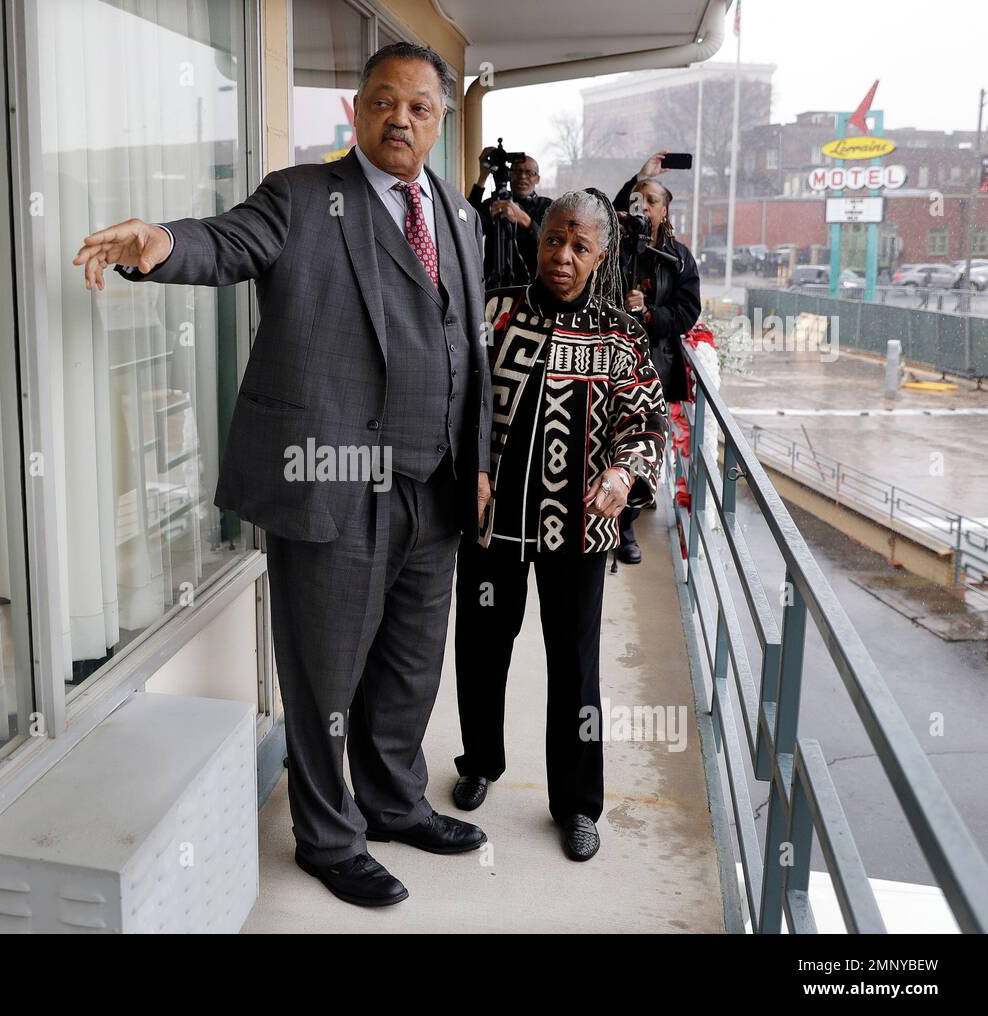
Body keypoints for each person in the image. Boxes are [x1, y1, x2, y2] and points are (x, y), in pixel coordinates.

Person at [74, 42, 492, 909]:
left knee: (412, 666)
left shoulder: (455, 209)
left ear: (442, 118)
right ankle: (328, 836)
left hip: (436, 482)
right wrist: (160, 242)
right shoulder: (303, 199)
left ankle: (392, 801)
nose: (400, 119)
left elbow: (469, 349)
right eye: (383, 102)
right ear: (356, 111)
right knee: (323, 673)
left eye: (419, 106)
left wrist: (479, 459)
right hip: (333, 480)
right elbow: (227, 242)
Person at [451, 189, 667, 862]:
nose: (563, 257)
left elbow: (649, 421)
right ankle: (480, 760)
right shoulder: (498, 309)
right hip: (496, 522)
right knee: (483, 648)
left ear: (602, 254)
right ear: (537, 239)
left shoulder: (619, 332)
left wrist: (624, 470)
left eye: (579, 246)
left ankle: (576, 803)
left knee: (575, 667)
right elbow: (457, 396)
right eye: (553, 241)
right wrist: (470, 465)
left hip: (578, 531)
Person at [610, 151, 701, 565]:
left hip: (657, 369)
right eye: (637, 199)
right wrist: (641, 175)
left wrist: (649, 314)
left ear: (665, 210)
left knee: (643, 445)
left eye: (651, 201)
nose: (642, 207)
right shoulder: (615, 245)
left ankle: (625, 524)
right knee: (607, 442)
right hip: (610, 364)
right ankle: (613, 520)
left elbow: (687, 312)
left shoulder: (679, 258)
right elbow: (607, 213)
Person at [468, 148, 552, 286]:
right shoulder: (496, 203)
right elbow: (466, 226)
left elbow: (552, 244)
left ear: (537, 179)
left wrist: (526, 220)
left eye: (529, 173)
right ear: (508, 175)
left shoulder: (547, 207)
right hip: (493, 287)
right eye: (517, 171)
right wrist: (482, 177)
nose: (522, 177)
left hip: (532, 287)